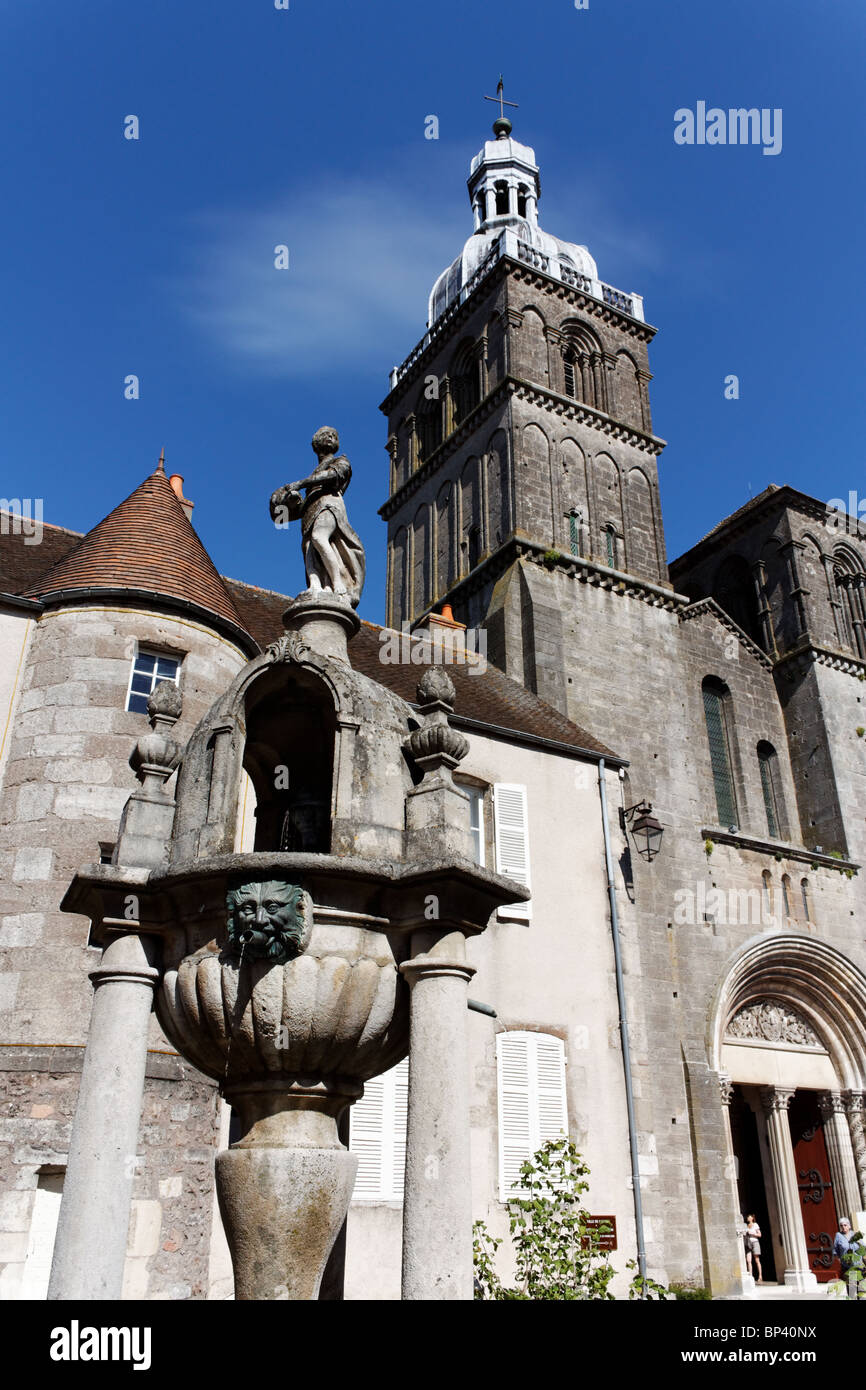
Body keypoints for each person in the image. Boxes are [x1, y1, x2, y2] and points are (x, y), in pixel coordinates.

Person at [833, 1218, 863, 1297]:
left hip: (859, 1266)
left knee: (861, 1291)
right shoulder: (838, 1236)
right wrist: (842, 1261)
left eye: (845, 1225)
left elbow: (863, 1248)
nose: (843, 1227)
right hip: (849, 1268)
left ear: (849, 1226)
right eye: (841, 1225)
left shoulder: (855, 1235)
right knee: (852, 1291)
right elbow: (835, 1251)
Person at [744, 1214, 763, 1283]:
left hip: (755, 1242)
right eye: (747, 1217)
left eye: (749, 1217)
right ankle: (751, 1277)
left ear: (752, 1218)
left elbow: (760, 1235)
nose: (748, 1218)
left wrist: (752, 1234)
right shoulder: (746, 1226)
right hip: (748, 1243)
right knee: (748, 1260)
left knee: (757, 1260)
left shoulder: (755, 1225)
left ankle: (760, 1276)